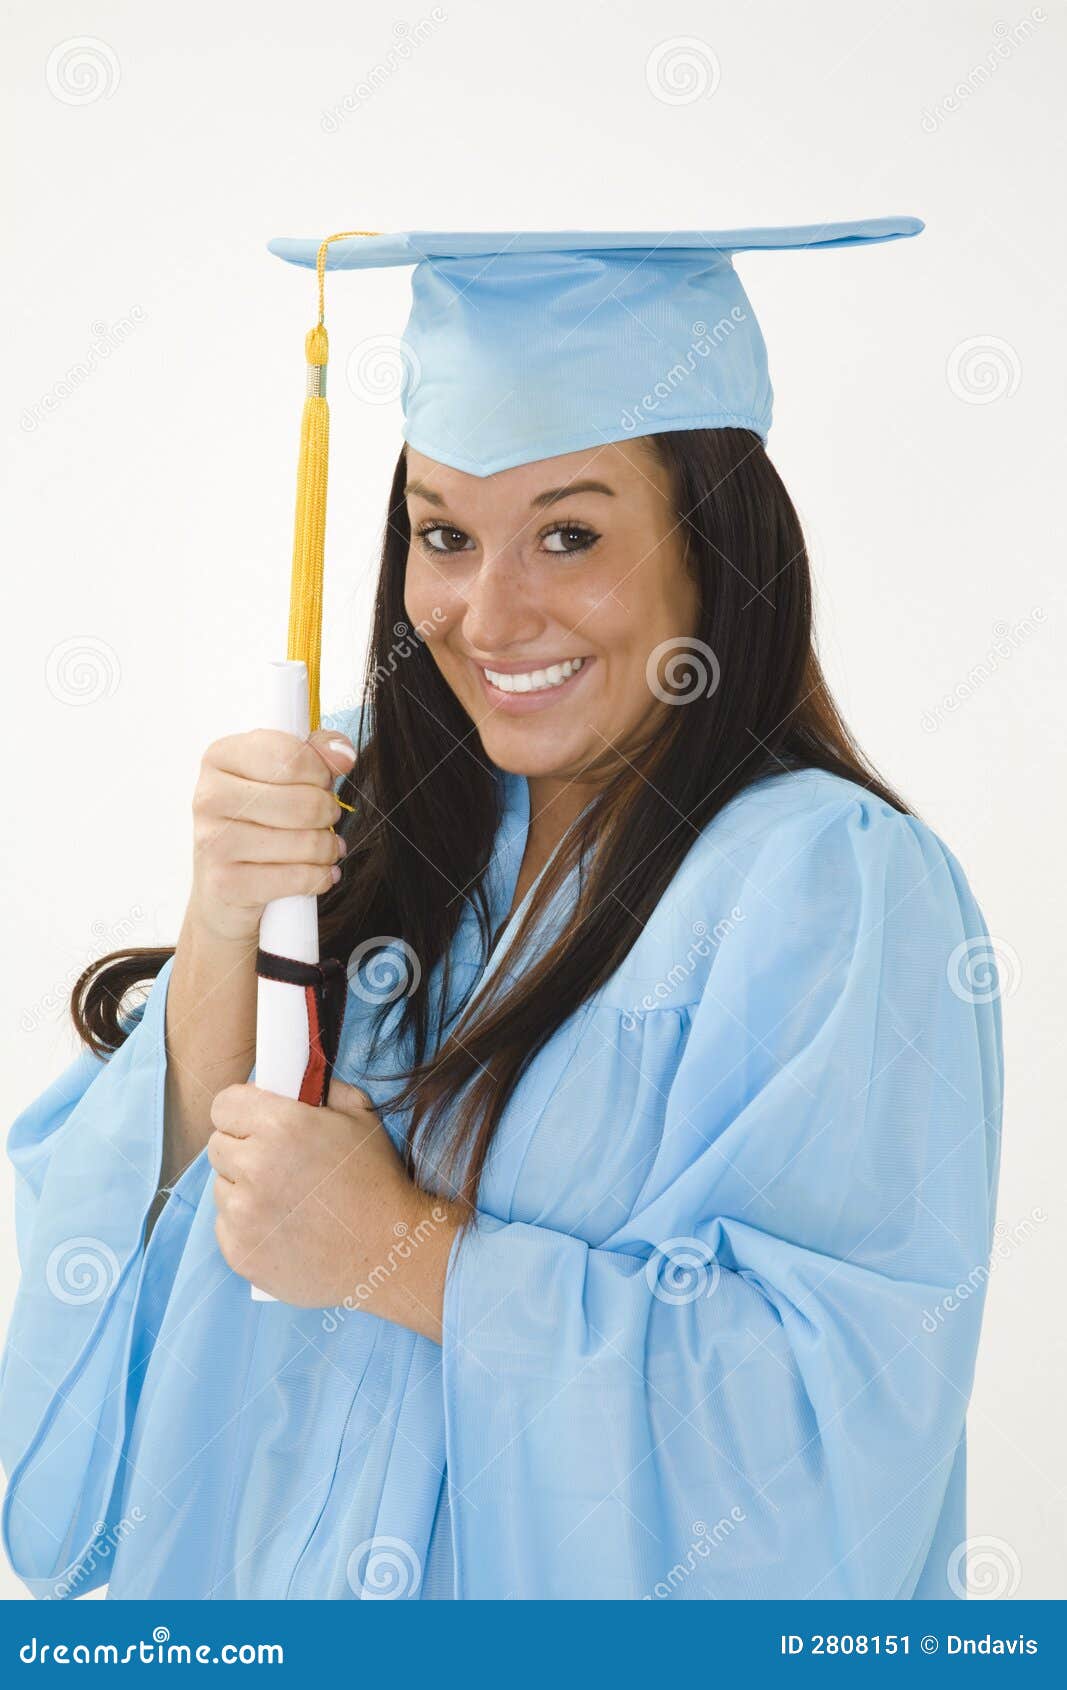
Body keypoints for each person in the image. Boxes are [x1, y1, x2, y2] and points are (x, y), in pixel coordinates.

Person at [0, 225, 1002, 1600]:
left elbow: (830, 1444)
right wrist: (227, 927)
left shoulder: (827, 885)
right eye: (445, 536)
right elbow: (103, 1389)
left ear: (711, 550)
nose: (488, 614)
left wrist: (402, 1254)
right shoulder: (368, 816)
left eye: (570, 535)